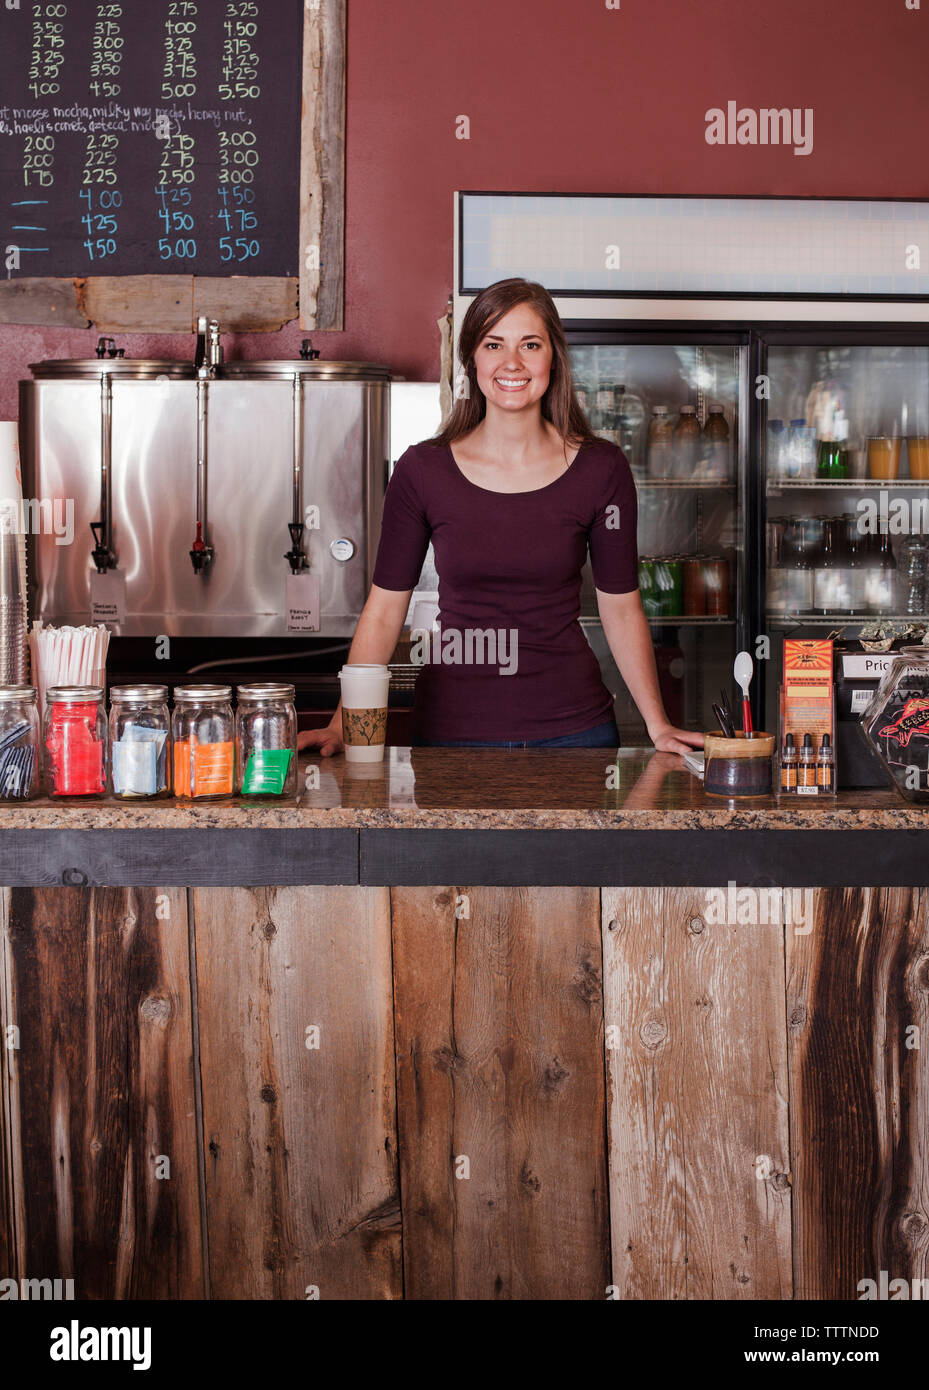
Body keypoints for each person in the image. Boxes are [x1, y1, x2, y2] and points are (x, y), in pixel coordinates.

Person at [299, 277, 704, 756]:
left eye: (530, 344)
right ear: (473, 358)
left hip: (576, 734)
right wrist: (344, 722)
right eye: (495, 344)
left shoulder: (601, 469)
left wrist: (657, 725)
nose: (512, 363)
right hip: (452, 737)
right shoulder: (423, 470)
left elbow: (621, 609)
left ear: (553, 357)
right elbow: (386, 610)